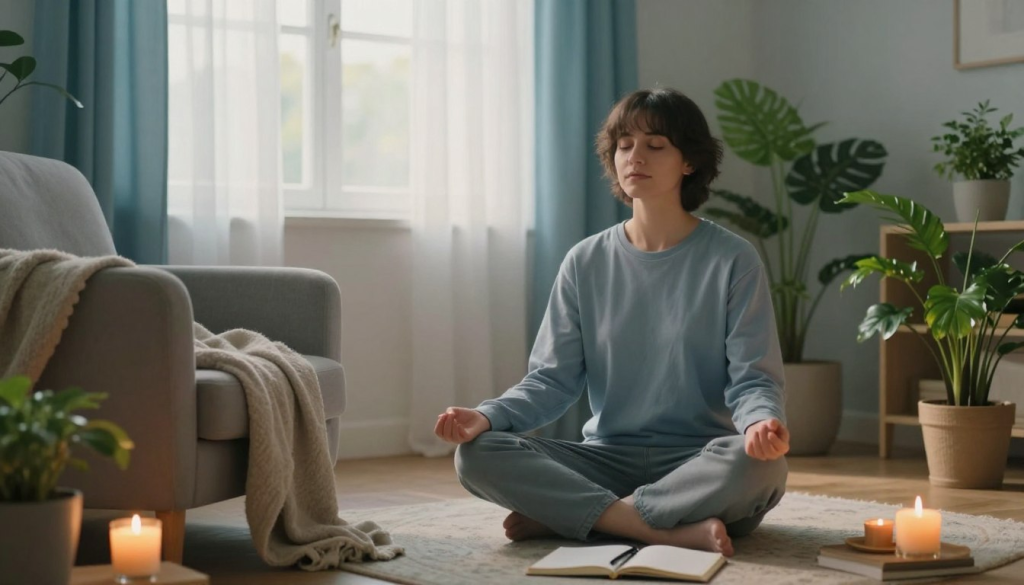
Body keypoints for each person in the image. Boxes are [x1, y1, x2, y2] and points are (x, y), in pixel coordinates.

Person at [433, 88, 789, 557]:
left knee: (762, 467)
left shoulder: (733, 259)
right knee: (477, 454)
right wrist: (487, 416)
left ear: (689, 162)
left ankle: (579, 515)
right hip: (604, 459)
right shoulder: (584, 261)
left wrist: (761, 423)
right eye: (624, 145)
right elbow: (551, 380)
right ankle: (655, 527)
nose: (635, 156)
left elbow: (752, 378)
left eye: (655, 145)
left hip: (699, 463)